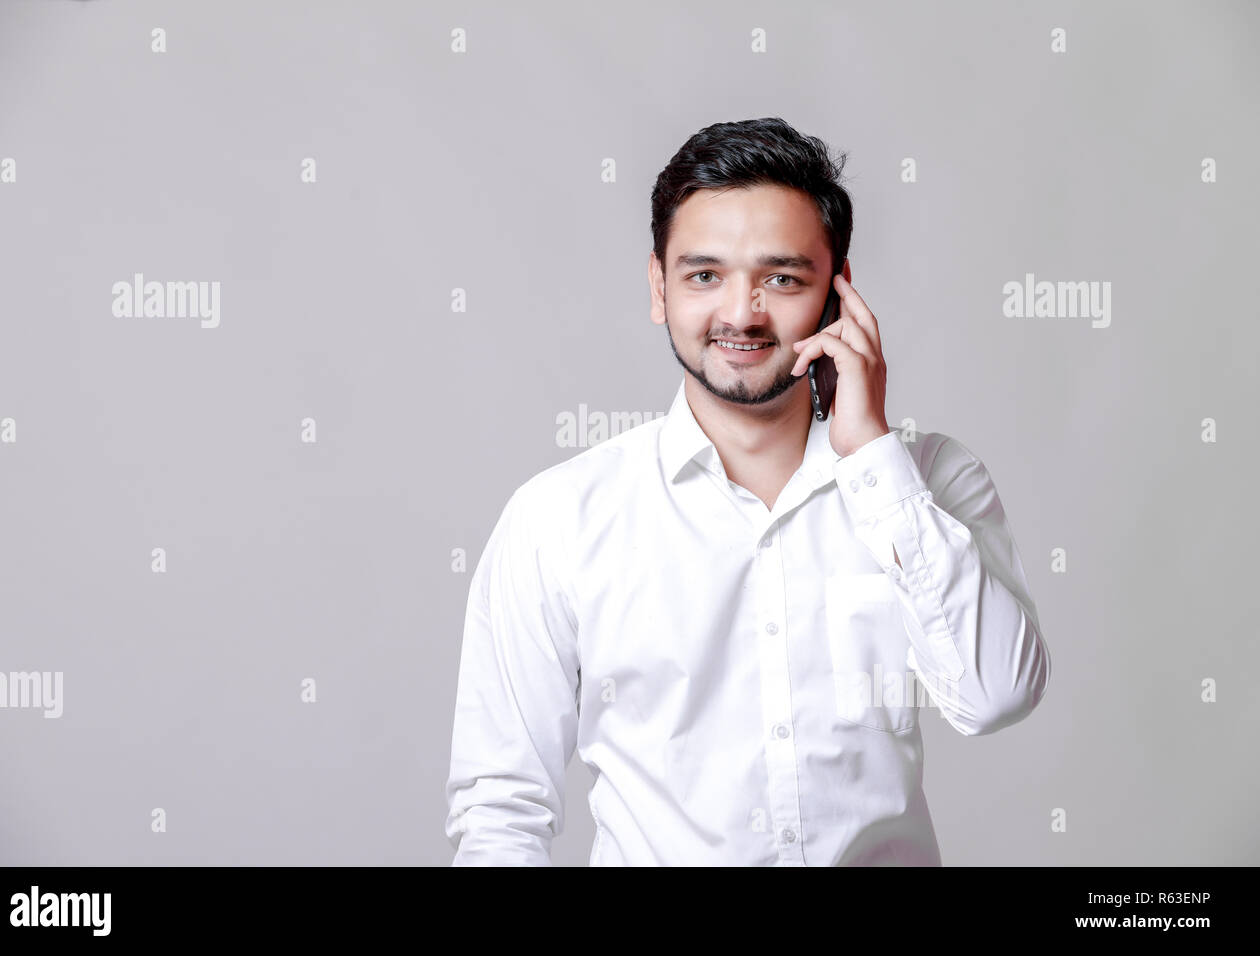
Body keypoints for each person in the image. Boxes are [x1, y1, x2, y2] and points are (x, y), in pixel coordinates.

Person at [443, 117, 1051, 866]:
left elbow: (997, 696)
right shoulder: (558, 520)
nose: (740, 313)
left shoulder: (929, 479)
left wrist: (873, 459)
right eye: (704, 275)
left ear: (839, 292)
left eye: (782, 278)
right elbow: (501, 811)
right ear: (659, 288)